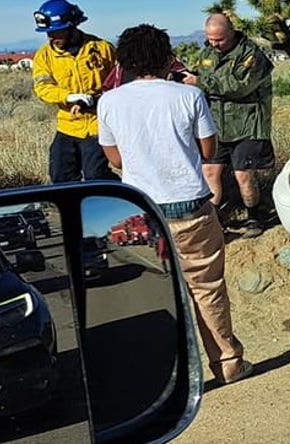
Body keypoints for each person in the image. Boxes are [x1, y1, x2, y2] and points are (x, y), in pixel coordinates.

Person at [98, 23, 251, 385]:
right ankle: (227, 361)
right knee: (207, 288)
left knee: (158, 295)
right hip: (190, 207)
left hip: (141, 211)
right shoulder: (188, 96)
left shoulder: (110, 102)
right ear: (168, 58)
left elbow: (116, 160)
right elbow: (208, 150)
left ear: (126, 61)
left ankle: (173, 377)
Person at [184, 14, 275, 238]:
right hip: (216, 124)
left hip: (247, 124)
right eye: (210, 39)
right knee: (209, 171)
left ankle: (254, 216)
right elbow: (200, 74)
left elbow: (239, 87)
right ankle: (213, 219)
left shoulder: (252, 54)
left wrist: (201, 82)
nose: (214, 44)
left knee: (243, 174)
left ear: (231, 33)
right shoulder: (207, 53)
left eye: (219, 39)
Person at [30, 0, 119, 183]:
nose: (51, 38)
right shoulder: (44, 56)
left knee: (96, 175)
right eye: (47, 33)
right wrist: (67, 97)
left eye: (56, 32)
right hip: (68, 125)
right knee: (60, 177)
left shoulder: (102, 49)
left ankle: (118, 200)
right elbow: (42, 87)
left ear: (72, 27)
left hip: (97, 125)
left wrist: (97, 99)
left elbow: (118, 82)